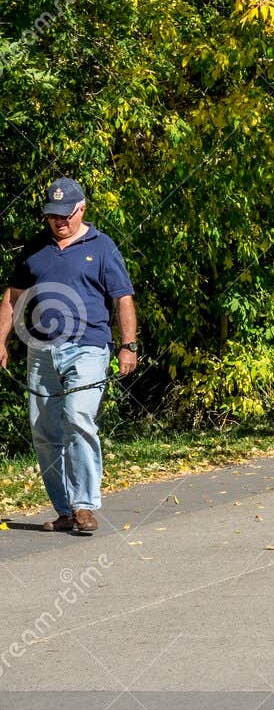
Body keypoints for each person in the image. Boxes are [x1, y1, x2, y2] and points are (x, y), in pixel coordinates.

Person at [0, 178, 139, 536]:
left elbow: (122, 298)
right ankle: (65, 510)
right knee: (44, 432)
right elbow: (13, 299)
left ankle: (85, 505)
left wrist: (128, 344)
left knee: (78, 416)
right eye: (52, 216)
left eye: (65, 215)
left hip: (89, 345)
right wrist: (1, 341)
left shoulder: (103, 247)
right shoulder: (35, 249)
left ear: (82, 208)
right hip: (41, 350)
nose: (59, 222)